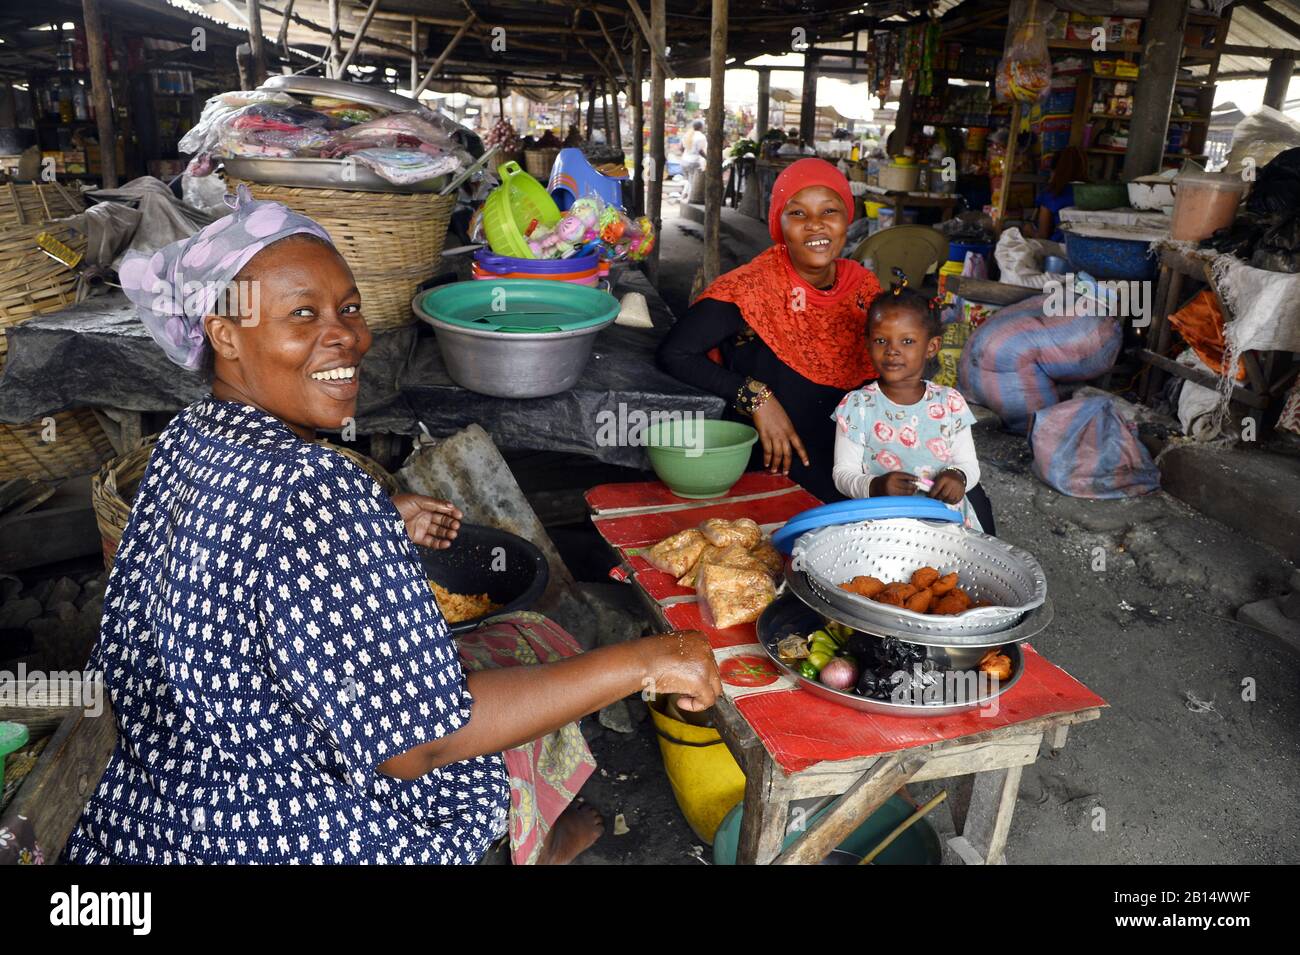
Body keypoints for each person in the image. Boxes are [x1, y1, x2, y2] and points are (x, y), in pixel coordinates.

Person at [62, 186, 721, 866]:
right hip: (284, 828)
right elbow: (418, 746)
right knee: (530, 656)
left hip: (155, 804)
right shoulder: (317, 488)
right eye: (303, 314)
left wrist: (375, 520)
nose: (346, 334)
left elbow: (244, 557)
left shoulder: (188, 439)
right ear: (224, 334)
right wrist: (647, 659)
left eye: (349, 307)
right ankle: (532, 846)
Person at [657, 158, 882, 502]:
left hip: (853, 461)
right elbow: (675, 353)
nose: (815, 226)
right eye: (798, 214)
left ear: (846, 220)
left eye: (829, 212)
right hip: (780, 464)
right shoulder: (753, 287)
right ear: (779, 224)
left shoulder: (863, 288)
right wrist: (756, 397)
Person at [831, 282, 993, 533]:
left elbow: (968, 465)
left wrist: (956, 476)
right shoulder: (858, 406)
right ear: (867, 344)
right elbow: (843, 474)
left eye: (907, 341)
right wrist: (876, 486)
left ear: (931, 347)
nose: (892, 351)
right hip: (883, 527)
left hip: (947, 525)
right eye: (881, 340)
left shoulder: (950, 402)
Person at [1034, 146, 1087, 243]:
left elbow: (1042, 236)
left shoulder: (1051, 195)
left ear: (1055, 171)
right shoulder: (1096, 193)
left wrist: (1028, 230)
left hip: (1059, 251)